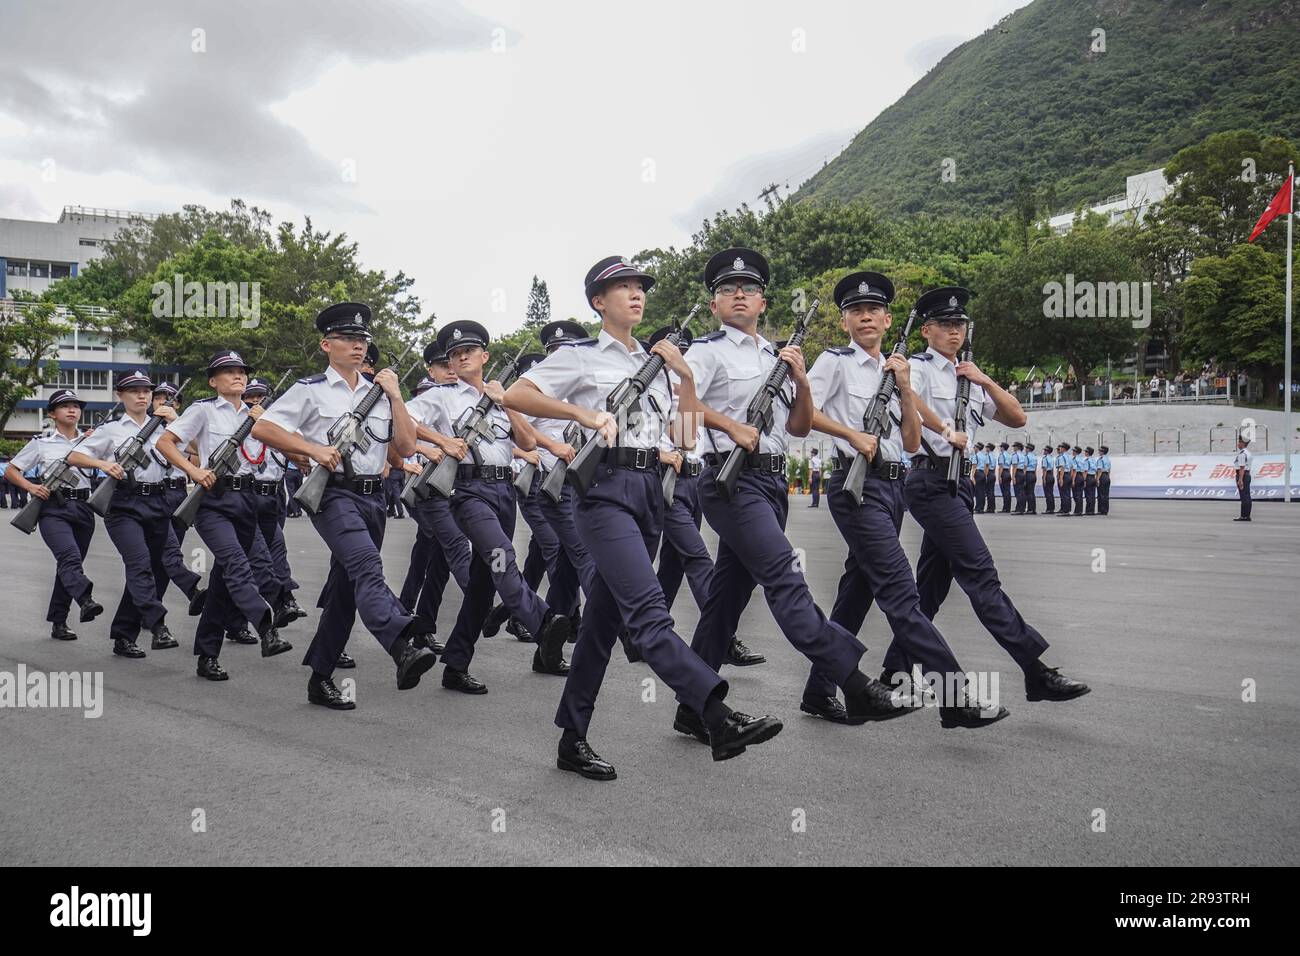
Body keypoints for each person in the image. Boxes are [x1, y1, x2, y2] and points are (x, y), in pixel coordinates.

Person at [505, 253, 785, 780]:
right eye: (623, 287)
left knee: (603, 624)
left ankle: (572, 738)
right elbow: (518, 395)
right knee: (651, 615)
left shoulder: (654, 365)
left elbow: (682, 438)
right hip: (605, 492)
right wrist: (583, 413)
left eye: (639, 287)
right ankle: (716, 715)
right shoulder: (581, 356)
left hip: (651, 493)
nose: (636, 294)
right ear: (598, 302)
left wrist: (683, 381)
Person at [673, 246, 907, 732]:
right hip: (730, 481)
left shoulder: (776, 355)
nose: (739, 295)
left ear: (763, 301)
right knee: (785, 577)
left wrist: (801, 381)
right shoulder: (706, 351)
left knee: (725, 601)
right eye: (727, 290)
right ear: (714, 304)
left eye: (750, 289)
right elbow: (682, 410)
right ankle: (855, 682)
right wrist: (729, 425)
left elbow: (799, 428)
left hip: (771, 480)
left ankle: (693, 708)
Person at [804, 270, 1005, 727]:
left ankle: (818, 690)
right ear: (844, 323)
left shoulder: (896, 371)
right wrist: (851, 434)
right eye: (856, 311)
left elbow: (912, 442)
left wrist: (907, 389)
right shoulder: (834, 362)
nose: (866, 316)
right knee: (901, 592)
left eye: (873, 310)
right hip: (855, 485)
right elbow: (803, 413)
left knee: (856, 593)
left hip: (893, 487)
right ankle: (955, 697)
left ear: (888, 319)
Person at [904, 287, 1090, 705]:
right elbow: (909, 401)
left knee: (930, 588)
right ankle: (1034, 669)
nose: (954, 331)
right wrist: (945, 429)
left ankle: (894, 669)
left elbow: (1017, 417)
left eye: (960, 325)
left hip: (959, 484)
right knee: (981, 575)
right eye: (946, 325)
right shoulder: (917, 369)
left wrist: (983, 377)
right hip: (930, 481)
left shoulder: (968, 375)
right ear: (927, 331)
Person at [251, 302, 439, 709]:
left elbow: (404, 448)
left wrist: (396, 395)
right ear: (326, 344)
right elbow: (263, 426)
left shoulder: (381, 395)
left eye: (362, 340)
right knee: (368, 567)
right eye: (348, 339)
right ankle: (402, 643)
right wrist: (311, 448)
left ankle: (320, 677)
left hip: (373, 497)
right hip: (333, 495)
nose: (358, 346)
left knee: (346, 589)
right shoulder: (310, 389)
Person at [416, 320, 572, 692]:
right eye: (455, 354)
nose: (461, 356)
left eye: (469, 350)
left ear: (484, 356)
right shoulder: (441, 396)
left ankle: (455, 664)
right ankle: (543, 621)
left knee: (483, 585)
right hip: (468, 490)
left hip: (504, 490)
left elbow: (528, 442)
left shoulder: (502, 397)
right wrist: (441, 441)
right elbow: (403, 420)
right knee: (502, 554)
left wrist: (507, 402)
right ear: (450, 364)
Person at [157, 351, 293, 681]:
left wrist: (265, 422)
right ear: (213, 381)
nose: (238, 376)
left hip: (248, 499)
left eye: (241, 372)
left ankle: (206, 654)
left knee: (221, 585)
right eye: (228, 372)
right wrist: (192, 469)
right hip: (214, 499)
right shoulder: (203, 410)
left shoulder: (256, 415)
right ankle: (266, 626)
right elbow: (166, 442)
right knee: (235, 563)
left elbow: (277, 448)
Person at [66, 371, 181, 658]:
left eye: (146, 390)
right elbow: (73, 456)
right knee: (139, 564)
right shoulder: (112, 430)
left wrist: (177, 424)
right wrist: (103, 465)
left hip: (157, 500)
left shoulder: (165, 429)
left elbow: (194, 452)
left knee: (149, 571)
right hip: (124, 503)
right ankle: (158, 625)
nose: (142, 395)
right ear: (120, 395)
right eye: (134, 390)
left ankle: (123, 634)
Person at [3, 389, 104, 640]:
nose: (72, 410)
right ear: (52, 413)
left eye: (76, 406)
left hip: (83, 508)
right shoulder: (42, 443)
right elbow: (12, 470)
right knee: (69, 557)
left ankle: (59, 621)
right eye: (65, 406)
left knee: (69, 566)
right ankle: (85, 598)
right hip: (53, 509)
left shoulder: (92, 441)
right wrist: (30, 486)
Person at [399, 351, 472, 643]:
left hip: (455, 488)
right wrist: (431, 445)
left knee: (435, 562)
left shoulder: (465, 396)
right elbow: (403, 428)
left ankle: (418, 623)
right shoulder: (430, 396)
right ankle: (405, 617)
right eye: (444, 365)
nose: (451, 370)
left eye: (452, 363)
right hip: (428, 486)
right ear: (432, 370)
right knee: (449, 548)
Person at [1233, 435, 1252, 521]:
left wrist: (1240, 479)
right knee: (1247, 496)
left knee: (1244, 496)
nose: (1238, 444)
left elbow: (1241, 468)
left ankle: (1244, 516)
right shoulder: (1248, 453)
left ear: (1242, 443)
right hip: (1247, 474)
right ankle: (1247, 515)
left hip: (1242, 475)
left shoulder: (1242, 454)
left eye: (1239, 442)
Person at [1040, 442, 1057, 514]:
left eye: (1045, 450)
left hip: (1047, 475)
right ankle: (1052, 508)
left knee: (1047, 493)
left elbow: (1044, 469)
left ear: (1047, 451)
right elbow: (1052, 469)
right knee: (1051, 493)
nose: (1044, 451)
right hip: (1051, 475)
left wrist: (1044, 479)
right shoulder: (1051, 458)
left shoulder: (1045, 458)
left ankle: (1049, 509)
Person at [996, 441, 1012, 512]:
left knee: (1004, 491)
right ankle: (1008, 507)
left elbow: (1001, 466)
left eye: (1001, 447)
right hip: (1008, 472)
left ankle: (1005, 508)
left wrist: (999, 476)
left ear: (1002, 448)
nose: (1000, 448)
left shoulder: (1002, 455)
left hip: (1004, 472)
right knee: (1008, 491)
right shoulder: (1009, 455)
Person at [1011, 442, 1026, 514]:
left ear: (1017, 447)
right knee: (1022, 492)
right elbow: (1025, 466)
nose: (1013, 448)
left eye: (1014, 446)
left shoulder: (1015, 455)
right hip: (1022, 473)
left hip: (1017, 473)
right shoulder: (1023, 455)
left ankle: (1019, 509)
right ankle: (1021, 508)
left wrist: (1013, 477)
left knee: (1018, 492)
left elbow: (1014, 467)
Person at [1082, 446, 1098, 515]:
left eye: (1085, 451)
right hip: (1093, 477)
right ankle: (1092, 510)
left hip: (1088, 477)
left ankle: (1088, 510)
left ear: (1088, 453)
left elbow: (1085, 471)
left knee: (1088, 495)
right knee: (1092, 495)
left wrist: (1084, 480)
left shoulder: (1087, 460)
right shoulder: (1094, 460)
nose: (1084, 453)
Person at [1096, 445, 1112, 515]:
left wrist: (1097, 479)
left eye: (1100, 450)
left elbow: (1099, 470)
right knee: (1106, 494)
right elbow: (1109, 470)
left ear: (1102, 452)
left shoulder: (1100, 459)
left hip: (1102, 476)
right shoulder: (1108, 459)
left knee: (1101, 494)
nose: (1099, 452)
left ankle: (1101, 510)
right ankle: (1105, 510)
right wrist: (1108, 477)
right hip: (1106, 476)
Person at [1023, 443, 1038, 514]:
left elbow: (1025, 468)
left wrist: (1023, 477)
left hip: (1028, 474)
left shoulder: (1026, 456)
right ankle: (1033, 508)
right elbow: (1035, 467)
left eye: (1026, 448)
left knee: (1028, 492)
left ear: (1028, 449)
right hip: (1033, 474)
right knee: (1032, 492)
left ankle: (1029, 509)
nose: (1025, 449)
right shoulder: (1034, 456)